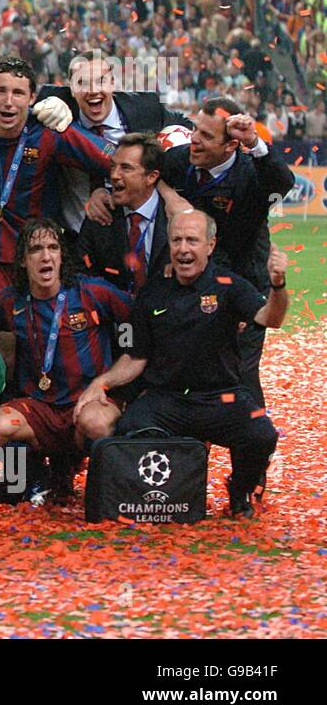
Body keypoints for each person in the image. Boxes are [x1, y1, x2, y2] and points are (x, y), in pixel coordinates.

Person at [75, 210, 288, 518]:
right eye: (177, 240)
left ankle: (241, 488)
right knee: (131, 428)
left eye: (192, 240)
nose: (184, 249)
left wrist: (278, 286)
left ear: (210, 246)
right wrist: (101, 383)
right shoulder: (154, 291)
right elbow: (136, 358)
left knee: (262, 433)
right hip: (167, 398)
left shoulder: (229, 284)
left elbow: (272, 318)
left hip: (222, 395)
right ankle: (156, 498)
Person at [0, 58, 114, 304]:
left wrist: (106, 189)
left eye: (18, 93)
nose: (8, 102)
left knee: (38, 333)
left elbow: (118, 160)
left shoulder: (51, 132)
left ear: (32, 98)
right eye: (0, 91)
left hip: (39, 259)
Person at [0, 218, 132, 505]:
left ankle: (87, 479)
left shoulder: (93, 293)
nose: (46, 256)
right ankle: (35, 473)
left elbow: (140, 318)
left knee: (97, 425)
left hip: (87, 402)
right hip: (39, 408)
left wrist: (113, 381)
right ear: (24, 261)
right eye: (36, 249)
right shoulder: (11, 301)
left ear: (63, 256)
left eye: (53, 247)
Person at [158, 97, 294, 406]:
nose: (194, 140)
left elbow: (282, 182)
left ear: (231, 146)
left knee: (240, 376)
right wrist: (169, 195)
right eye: (195, 130)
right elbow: (147, 169)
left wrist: (254, 141)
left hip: (242, 286)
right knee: (190, 370)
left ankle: (254, 445)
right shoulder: (181, 160)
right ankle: (193, 449)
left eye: (206, 136)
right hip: (194, 287)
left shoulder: (252, 177)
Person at [52, 53, 192, 231]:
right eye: (82, 83)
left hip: (133, 235)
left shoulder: (145, 108)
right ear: (71, 89)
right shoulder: (56, 113)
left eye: (100, 81)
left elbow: (188, 127)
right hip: (74, 237)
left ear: (112, 83)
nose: (93, 90)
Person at [78, 133, 171, 294]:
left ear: (151, 177)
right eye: (113, 166)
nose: (114, 175)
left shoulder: (176, 216)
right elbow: (81, 271)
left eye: (126, 168)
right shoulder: (100, 214)